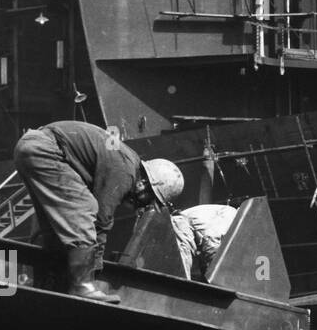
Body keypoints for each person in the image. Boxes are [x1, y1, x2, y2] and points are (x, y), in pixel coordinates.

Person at [14, 120, 185, 303]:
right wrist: (95, 270)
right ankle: (82, 287)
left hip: (32, 146)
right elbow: (101, 220)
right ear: (143, 185)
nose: (143, 205)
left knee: (53, 227)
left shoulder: (125, 160)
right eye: (149, 199)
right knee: (86, 208)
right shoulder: (125, 171)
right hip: (46, 150)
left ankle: (44, 282)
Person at [171, 203, 239, 280]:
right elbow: (212, 241)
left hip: (192, 232)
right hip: (181, 225)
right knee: (182, 274)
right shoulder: (231, 216)